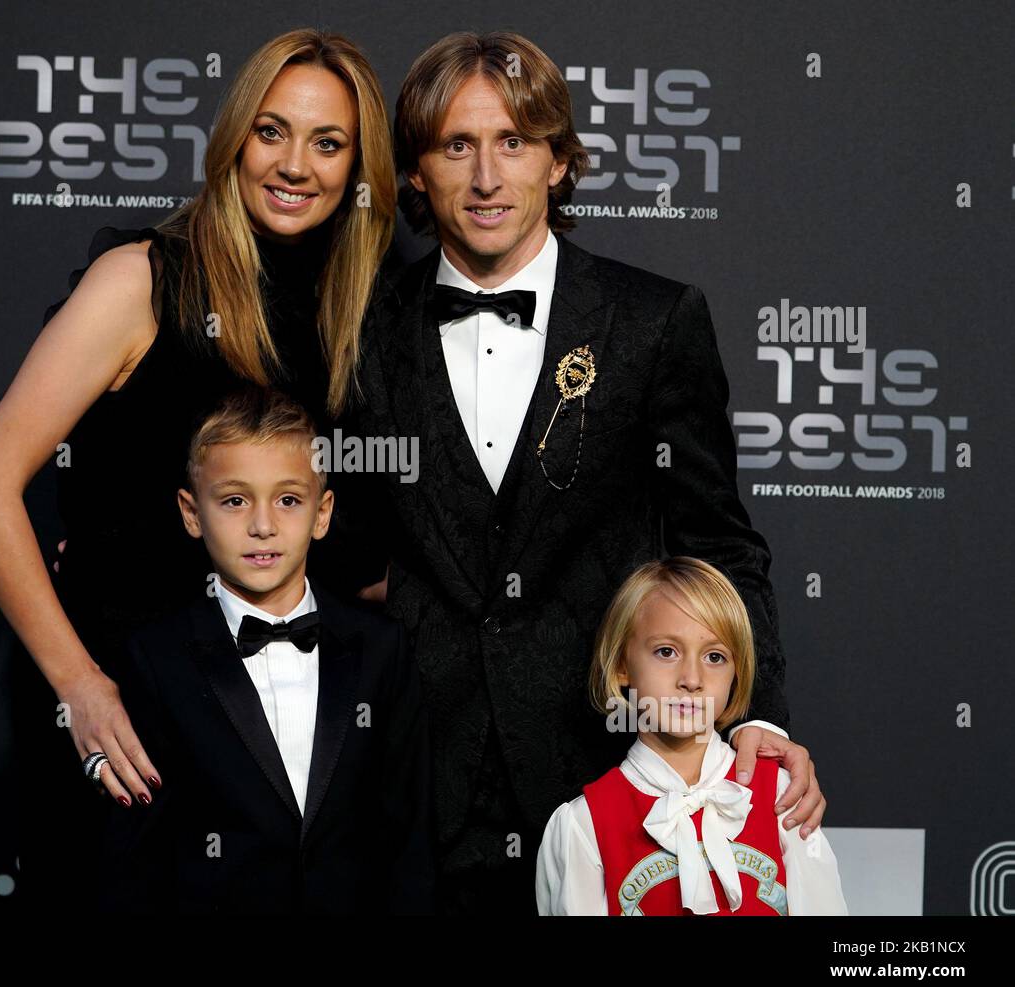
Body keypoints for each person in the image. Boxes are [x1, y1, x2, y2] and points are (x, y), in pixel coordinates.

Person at [344, 30, 827, 914]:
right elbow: (322, 527)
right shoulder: (359, 329)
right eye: (457, 145)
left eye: (515, 143)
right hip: (409, 783)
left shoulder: (653, 321)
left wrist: (761, 716)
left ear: (560, 162)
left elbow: (715, 536)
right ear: (415, 171)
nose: (487, 177)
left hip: (605, 791)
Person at [0, 28, 396, 913]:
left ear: (359, 171)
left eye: (328, 142)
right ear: (233, 139)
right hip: (130, 722)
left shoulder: (356, 319)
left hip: (269, 739)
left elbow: (356, 551)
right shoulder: (140, 281)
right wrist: (78, 684)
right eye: (271, 131)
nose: (295, 164)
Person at [96, 386, 434, 914]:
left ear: (322, 514)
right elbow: (138, 861)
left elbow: (408, 840)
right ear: (191, 512)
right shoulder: (155, 661)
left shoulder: (381, 649)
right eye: (234, 500)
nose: (262, 525)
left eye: (288, 500)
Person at [535, 557, 848, 915]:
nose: (692, 678)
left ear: (737, 674)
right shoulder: (583, 824)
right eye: (666, 652)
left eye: (715, 657)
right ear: (622, 665)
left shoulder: (781, 796)